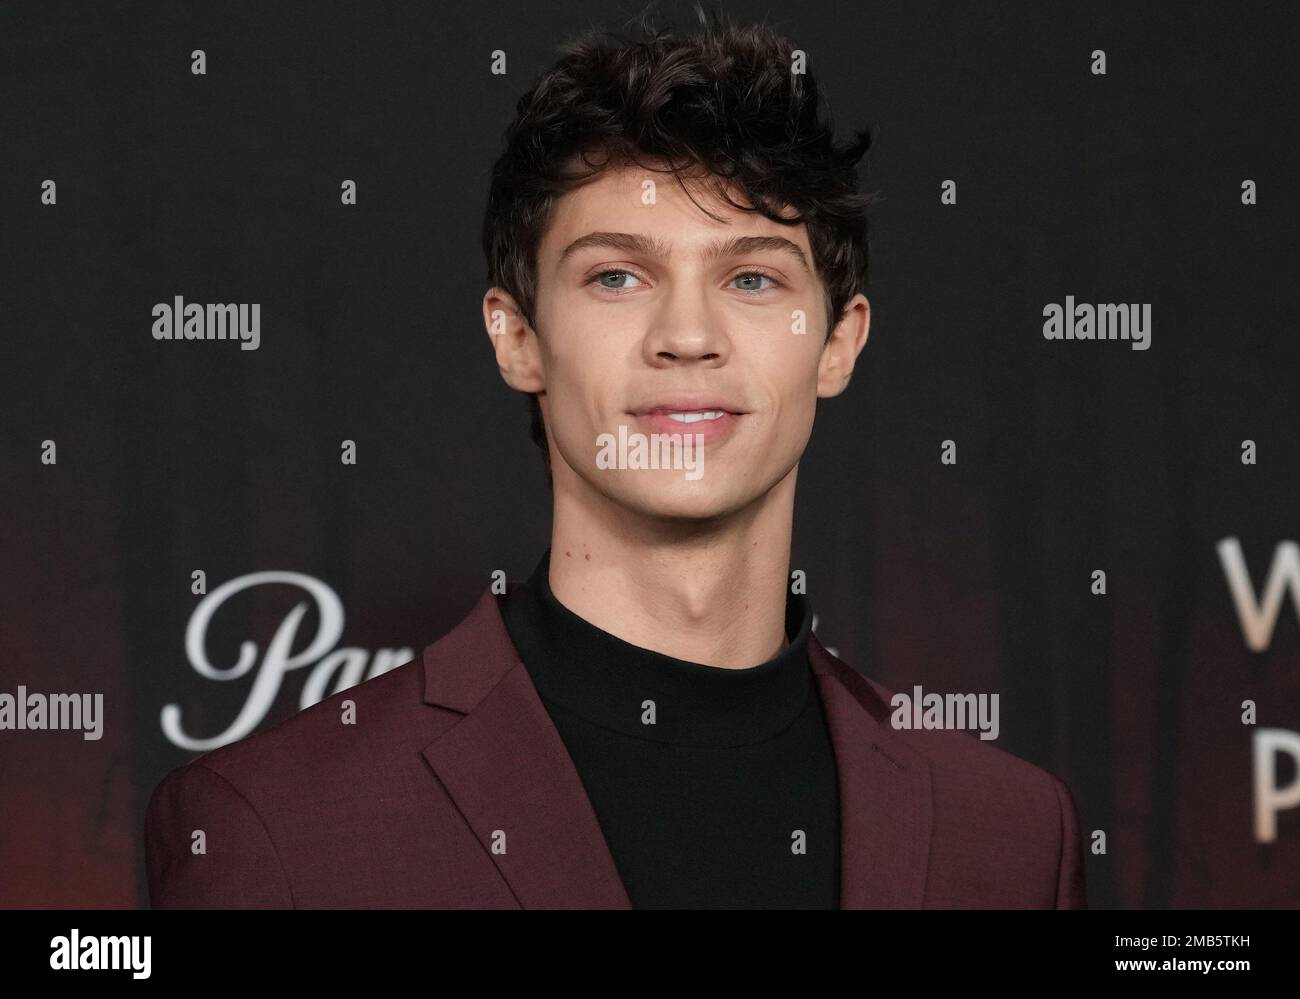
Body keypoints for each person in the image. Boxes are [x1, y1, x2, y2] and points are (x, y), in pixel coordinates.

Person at [145, 7, 1087, 909]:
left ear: (838, 342)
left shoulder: (1007, 833)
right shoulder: (280, 828)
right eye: (617, 276)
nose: (686, 335)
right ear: (518, 339)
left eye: (752, 276)